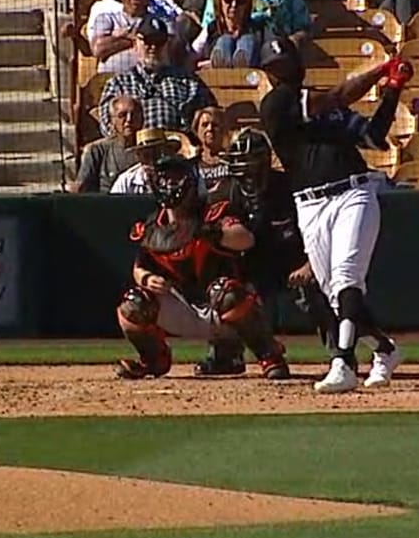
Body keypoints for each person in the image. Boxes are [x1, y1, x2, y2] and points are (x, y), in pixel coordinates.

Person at [257, 36, 407, 393]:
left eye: (288, 64)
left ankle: (343, 362)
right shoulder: (276, 103)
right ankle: (385, 350)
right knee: (335, 295)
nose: (285, 72)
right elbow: (337, 96)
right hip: (309, 205)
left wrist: (393, 90)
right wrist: (382, 70)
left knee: (346, 278)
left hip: (353, 193)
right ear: (269, 74)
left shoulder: (328, 109)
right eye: (277, 67)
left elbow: (373, 136)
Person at [114, 154, 291, 381]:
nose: (170, 183)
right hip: (183, 307)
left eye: (176, 177)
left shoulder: (214, 213)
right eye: (165, 177)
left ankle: (269, 355)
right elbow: (139, 267)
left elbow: (245, 239)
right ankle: (153, 360)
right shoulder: (153, 224)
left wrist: (209, 232)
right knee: (133, 304)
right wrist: (147, 279)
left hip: (225, 309)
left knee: (225, 291)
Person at [198, 126, 338, 376]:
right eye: (239, 160)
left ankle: (340, 356)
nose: (243, 166)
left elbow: (316, 231)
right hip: (247, 266)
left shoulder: (289, 186)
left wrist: (309, 264)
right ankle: (226, 356)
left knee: (318, 287)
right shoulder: (224, 190)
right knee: (223, 291)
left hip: (290, 262)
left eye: (249, 159)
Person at [97, 15, 217, 136]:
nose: (153, 48)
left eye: (159, 42)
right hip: (133, 148)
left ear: (167, 45)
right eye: (148, 42)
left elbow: (211, 113)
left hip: (179, 148)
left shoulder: (189, 82)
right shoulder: (118, 84)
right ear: (135, 44)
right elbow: (106, 123)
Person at [86, 0, 183, 75]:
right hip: (110, 83)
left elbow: (170, 50)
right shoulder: (106, 18)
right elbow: (98, 49)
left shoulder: (163, 21)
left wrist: (121, 37)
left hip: (154, 84)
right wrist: (142, 39)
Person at [69, 94, 142, 193]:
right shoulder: (97, 151)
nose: (129, 120)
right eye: (122, 115)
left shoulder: (150, 150)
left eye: (134, 114)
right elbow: (82, 188)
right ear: (112, 120)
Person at [193, 0, 259, 68]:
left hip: (250, 79)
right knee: (225, 41)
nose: (234, 5)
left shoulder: (259, 30)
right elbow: (191, 59)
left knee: (247, 41)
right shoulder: (212, 28)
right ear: (219, 2)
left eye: (240, 0)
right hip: (215, 80)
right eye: (228, 0)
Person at [110, 127, 191, 195]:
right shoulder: (125, 181)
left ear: (167, 152)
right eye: (146, 156)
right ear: (139, 157)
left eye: (157, 154)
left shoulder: (183, 176)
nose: (152, 161)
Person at [192, 105, 231, 193]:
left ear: (223, 129)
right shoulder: (191, 166)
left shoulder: (234, 161)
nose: (210, 129)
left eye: (215, 125)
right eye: (205, 125)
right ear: (197, 131)